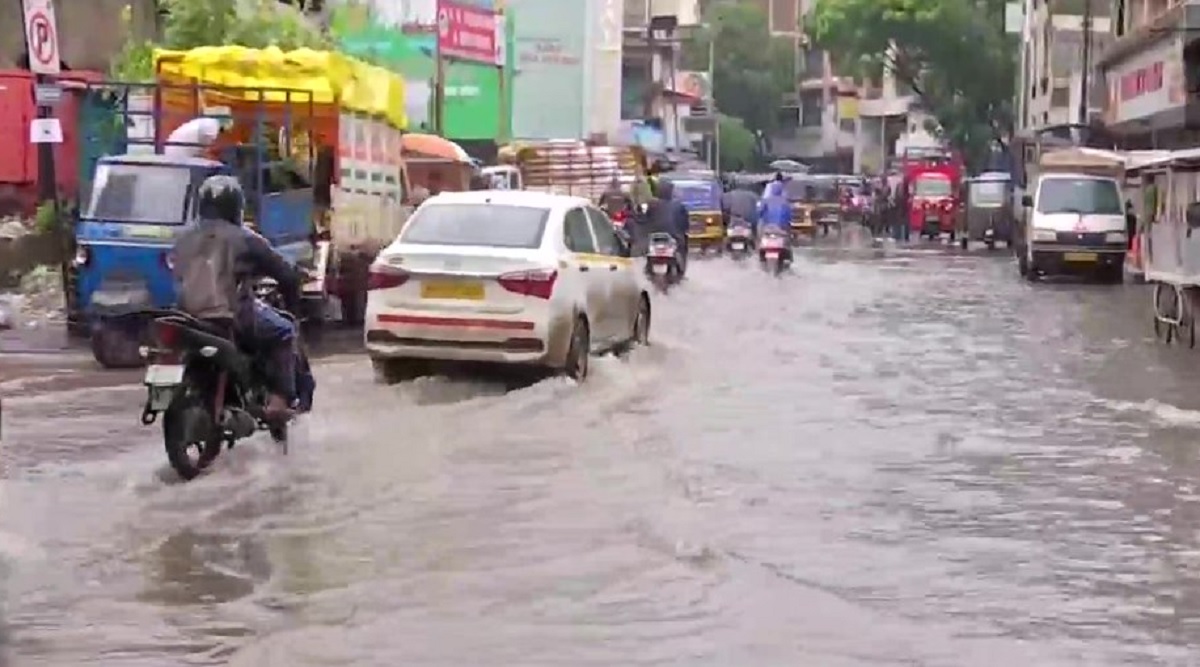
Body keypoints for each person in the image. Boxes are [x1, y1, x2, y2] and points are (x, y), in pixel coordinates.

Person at [171, 175, 306, 421]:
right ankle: (279, 400)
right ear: (236, 206)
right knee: (284, 330)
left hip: (183, 316)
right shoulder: (245, 238)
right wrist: (294, 305)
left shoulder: (182, 238)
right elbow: (285, 274)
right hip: (229, 316)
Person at [644, 179, 691, 274]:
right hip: (674, 235)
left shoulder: (652, 204)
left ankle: (648, 268)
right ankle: (681, 271)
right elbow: (685, 222)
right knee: (683, 247)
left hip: (655, 235)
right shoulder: (678, 205)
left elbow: (646, 220)